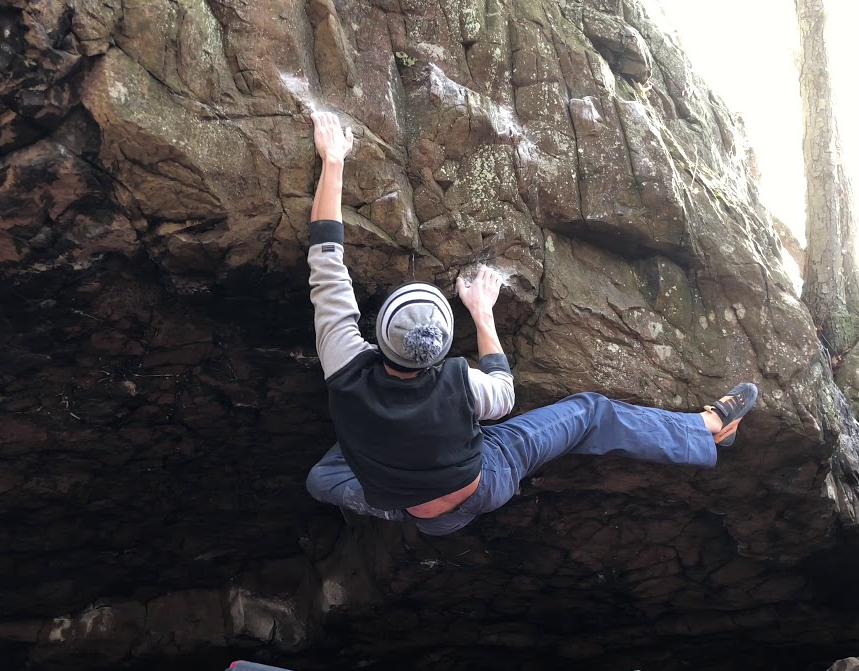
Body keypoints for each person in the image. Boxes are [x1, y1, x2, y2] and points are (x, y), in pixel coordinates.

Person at [303, 111, 758, 536]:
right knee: (590, 413)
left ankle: (397, 503)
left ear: (377, 334)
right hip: (482, 486)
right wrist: (482, 314)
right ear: (441, 354)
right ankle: (705, 428)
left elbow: (326, 259)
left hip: (422, 515)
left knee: (322, 478)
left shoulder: (344, 364)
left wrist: (334, 161)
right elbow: (503, 393)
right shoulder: (460, 384)